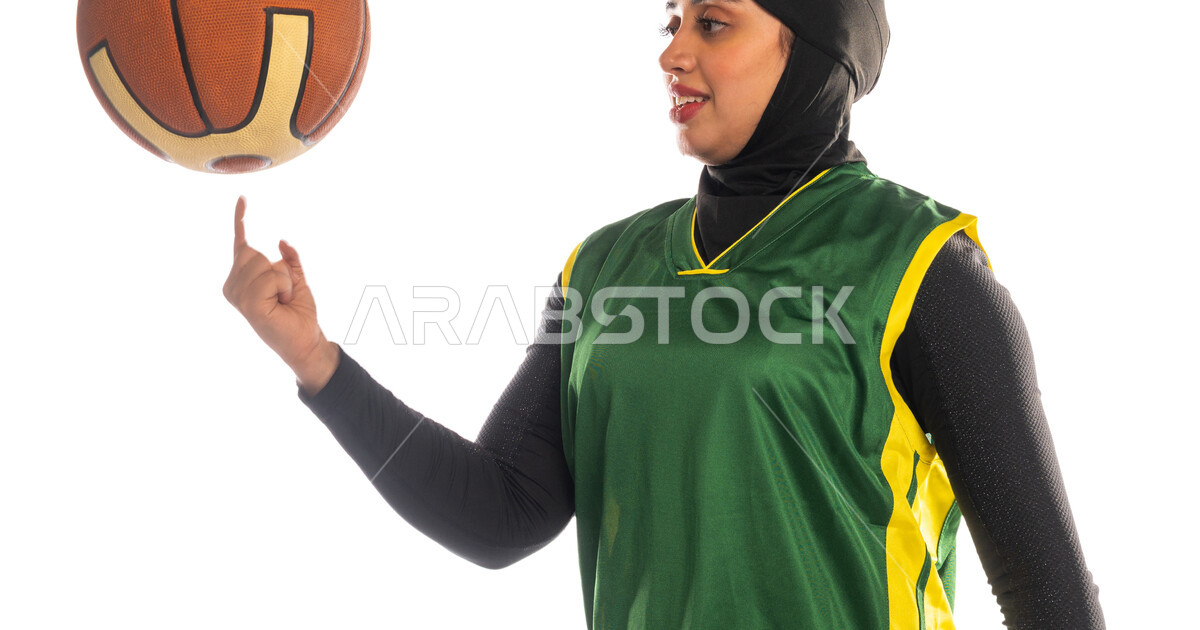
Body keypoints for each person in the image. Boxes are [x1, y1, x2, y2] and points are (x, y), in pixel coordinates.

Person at [223, 0, 1106, 627]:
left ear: (811, 50)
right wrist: (318, 362)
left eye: (711, 23)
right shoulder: (605, 269)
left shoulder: (919, 265)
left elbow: (1049, 598)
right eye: (671, 22)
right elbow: (500, 513)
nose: (672, 53)